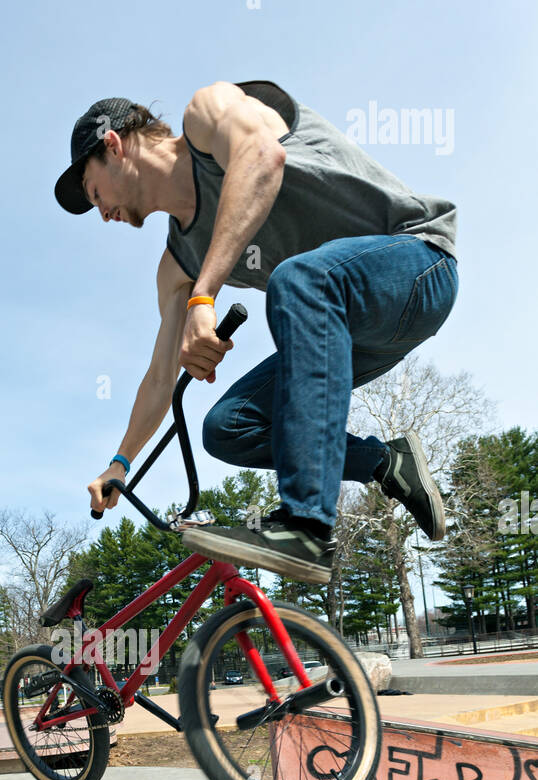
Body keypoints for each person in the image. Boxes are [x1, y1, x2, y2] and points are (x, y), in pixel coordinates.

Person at [54, 82, 458, 583]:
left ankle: (306, 526)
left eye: (95, 192)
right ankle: (386, 461)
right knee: (227, 426)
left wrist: (205, 297)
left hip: (418, 266)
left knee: (299, 278)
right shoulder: (176, 264)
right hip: (355, 337)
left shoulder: (207, 116)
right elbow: (160, 377)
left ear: (113, 146)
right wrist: (120, 463)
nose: (102, 212)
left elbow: (263, 159)